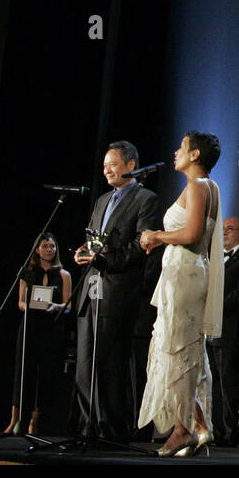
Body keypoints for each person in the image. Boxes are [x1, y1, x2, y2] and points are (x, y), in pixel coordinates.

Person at [137, 131, 224, 457]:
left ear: (195, 155)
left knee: (177, 348)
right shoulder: (209, 187)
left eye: (182, 147)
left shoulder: (198, 187)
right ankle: (200, 424)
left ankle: (183, 429)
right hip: (186, 273)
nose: (176, 152)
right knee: (188, 349)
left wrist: (156, 235)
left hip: (185, 275)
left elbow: (191, 233)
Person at [70, 141, 160, 441]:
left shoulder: (145, 199)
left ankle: (109, 430)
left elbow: (142, 244)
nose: (107, 169)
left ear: (131, 165)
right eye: (105, 164)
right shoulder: (101, 201)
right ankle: (86, 428)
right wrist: (85, 251)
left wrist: (108, 260)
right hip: (91, 289)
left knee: (109, 364)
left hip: (118, 290)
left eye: (113, 164)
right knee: (85, 364)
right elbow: (94, 238)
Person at [5, 233, 72, 435]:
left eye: (52, 246)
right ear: (37, 249)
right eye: (45, 246)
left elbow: (69, 305)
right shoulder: (28, 272)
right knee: (23, 372)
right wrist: (31, 307)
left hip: (51, 329)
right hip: (30, 327)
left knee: (46, 374)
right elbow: (20, 302)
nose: (49, 250)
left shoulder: (64, 275)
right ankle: (15, 419)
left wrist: (55, 306)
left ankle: (35, 421)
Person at [208, 216, 239, 447]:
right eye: (222, 229)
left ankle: (234, 432)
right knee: (215, 384)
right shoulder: (215, 258)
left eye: (230, 229)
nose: (225, 233)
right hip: (212, 330)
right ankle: (218, 430)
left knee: (230, 384)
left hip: (231, 329)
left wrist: (217, 307)